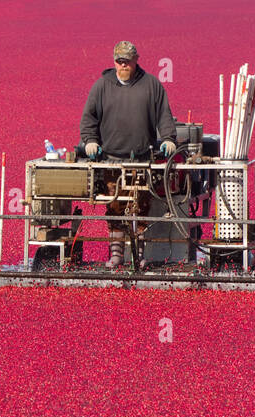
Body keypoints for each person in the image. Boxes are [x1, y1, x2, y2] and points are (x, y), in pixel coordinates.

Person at [79, 41, 177, 268]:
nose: (123, 65)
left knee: (140, 207)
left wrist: (170, 139)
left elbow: (164, 115)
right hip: (111, 161)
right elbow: (88, 119)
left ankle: (138, 254)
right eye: (119, 61)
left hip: (141, 159)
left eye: (127, 61)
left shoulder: (151, 85)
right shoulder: (101, 86)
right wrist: (90, 141)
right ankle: (116, 255)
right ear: (114, 61)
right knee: (114, 206)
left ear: (135, 61)